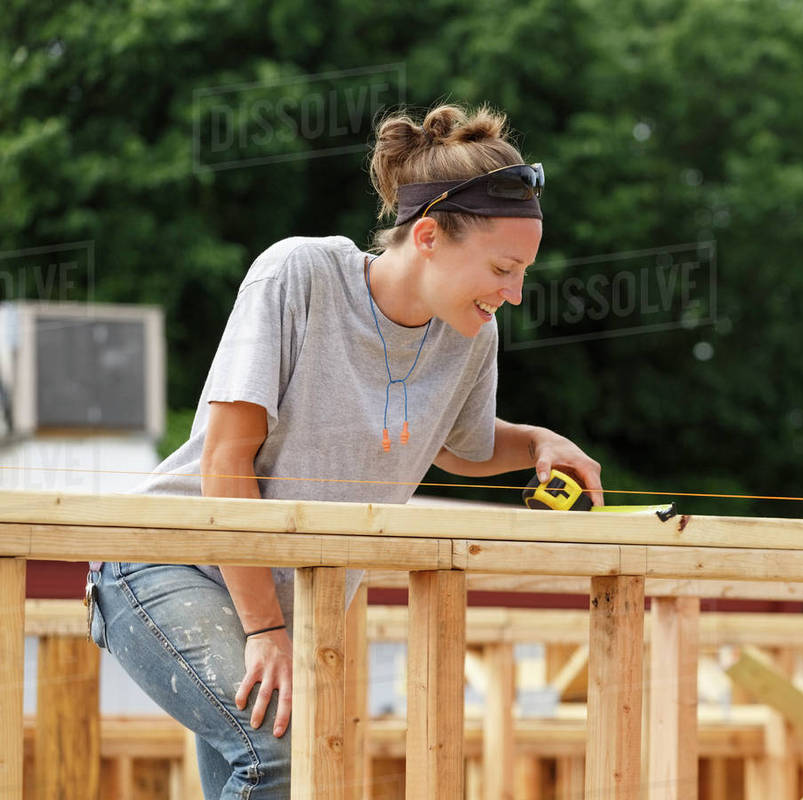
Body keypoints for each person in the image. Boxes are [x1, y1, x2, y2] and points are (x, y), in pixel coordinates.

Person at [83, 103, 603, 799]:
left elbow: (461, 448)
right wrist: (264, 626)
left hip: (283, 603)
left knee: (277, 772)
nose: (512, 295)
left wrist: (537, 442)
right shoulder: (299, 275)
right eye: (503, 268)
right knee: (279, 756)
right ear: (427, 235)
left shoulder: (470, 336)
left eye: (523, 276)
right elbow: (225, 460)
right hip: (170, 562)